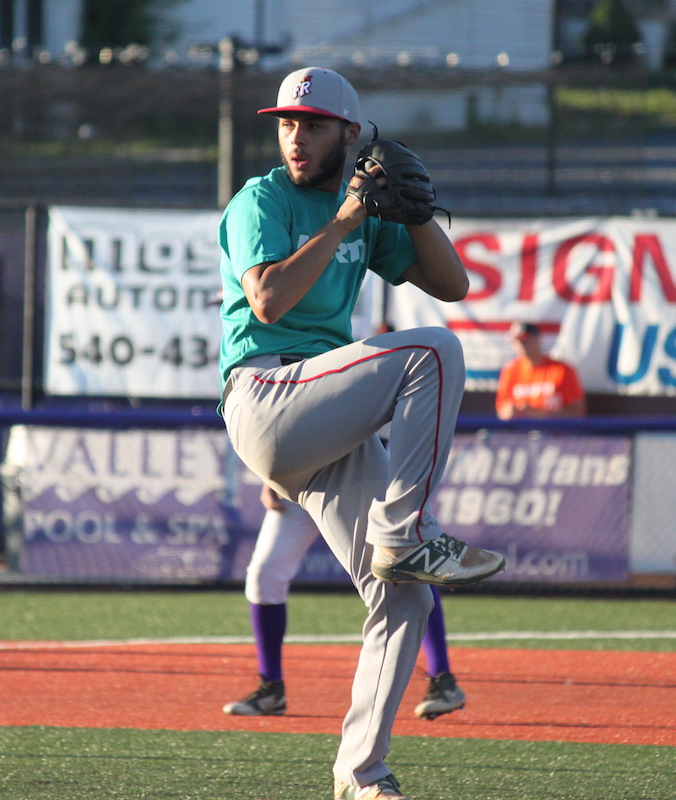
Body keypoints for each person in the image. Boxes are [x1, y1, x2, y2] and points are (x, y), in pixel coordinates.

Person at [217, 67, 505, 800]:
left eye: (312, 125)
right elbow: (269, 301)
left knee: (403, 598)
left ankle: (362, 774)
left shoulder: (366, 210)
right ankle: (406, 529)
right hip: (266, 392)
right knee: (433, 351)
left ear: (349, 134)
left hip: (324, 417)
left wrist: (416, 214)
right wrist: (346, 218)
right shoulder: (262, 199)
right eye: (286, 124)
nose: (295, 137)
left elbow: (454, 285)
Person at [223, 484, 466, 721]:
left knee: (404, 565)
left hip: (357, 479)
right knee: (264, 576)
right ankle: (271, 687)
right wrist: (270, 479)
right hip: (301, 483)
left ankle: (443, 679)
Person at [495, 322, 586, 420]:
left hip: (554, 429)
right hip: (521, 429)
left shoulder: (562, 370)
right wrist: (509, 412)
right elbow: (502, 410)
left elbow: (577, 412)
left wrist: (537, 414)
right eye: (516, 341)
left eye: (525, 340)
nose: (521, 345)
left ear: (537, 339)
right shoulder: (510, 371)